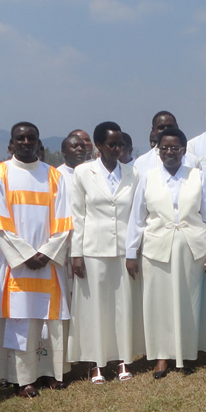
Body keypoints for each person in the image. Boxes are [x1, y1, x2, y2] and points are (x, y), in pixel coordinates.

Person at [0, 122, 72, 398]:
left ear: (38, 143)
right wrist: (25, 255)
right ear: (11, 144)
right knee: (20, 317)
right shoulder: (0, 174)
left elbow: (65, 220)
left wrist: (46, 252)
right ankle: (22, 379)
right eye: (20, 139)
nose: (26, 142)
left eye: (31, 138)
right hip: (15, 265)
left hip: (47, 259)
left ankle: (50, 373)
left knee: (49, 316)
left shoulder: (53, 176)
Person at [126, 128, 206, 378]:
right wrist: (131, 253)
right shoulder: (148, 177)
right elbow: (137, 219)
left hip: (193, 247)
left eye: (175, 148)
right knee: (159, 303)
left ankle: (186, 354)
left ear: (184, 151)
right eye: (164, 148)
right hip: (157, 248)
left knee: (189, 301)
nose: (169, 152)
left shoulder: (197, 176)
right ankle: (161, 357)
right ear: (158, 150)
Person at [67, 122, 144, 384]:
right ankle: (95, 362)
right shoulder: (82, 173)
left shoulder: (133, 174)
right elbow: (77, 216)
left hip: (123, 249)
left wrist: (133, 251)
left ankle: (123, 359)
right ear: (98, 146)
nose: (117, 149)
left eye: (120, 144)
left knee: (123, 305)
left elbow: (136, 215)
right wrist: (76, 253)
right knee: (94, 307)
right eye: (111, 144)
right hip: (93, 248)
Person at [134, 111, 197, 176]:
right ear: (153, 130)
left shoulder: (192, 161)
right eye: (161, 127)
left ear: (177, 127)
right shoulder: (141, 163)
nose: (166, 130)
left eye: (170, 126)